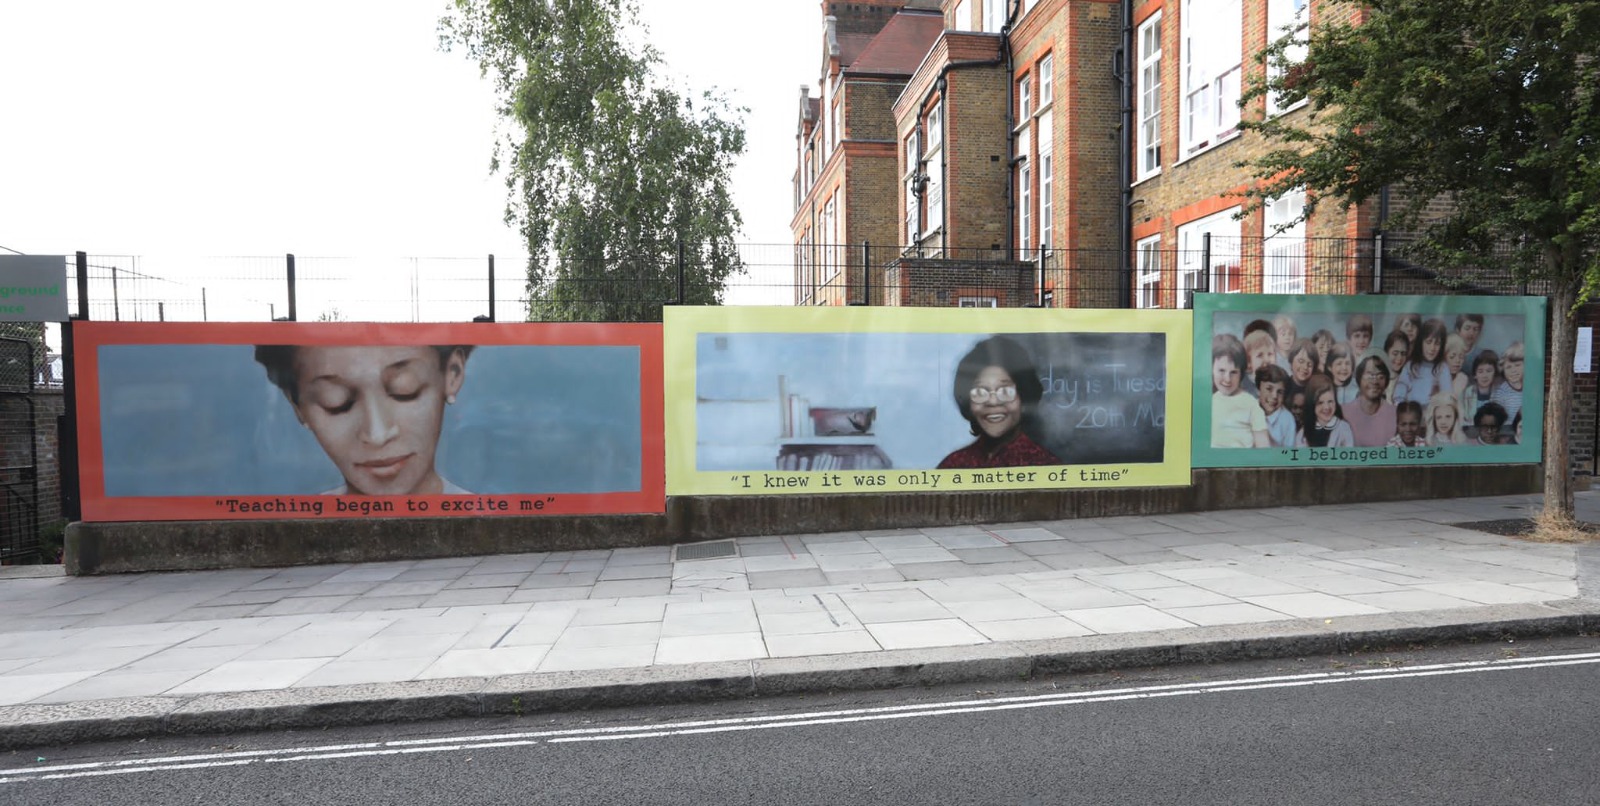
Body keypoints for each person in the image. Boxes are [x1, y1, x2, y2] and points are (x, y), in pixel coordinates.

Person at [256, 344, 473, 495]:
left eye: (405, 390)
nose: (377, 434)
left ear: (452, 374)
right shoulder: (296, 525)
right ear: (297, 406)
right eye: (336, 401)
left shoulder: (481, 512)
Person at [937, 336, 1062, 468]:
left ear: (1023, 397)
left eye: (1005, 391)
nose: (993, 401)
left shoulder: (1046, 465)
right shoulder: (953, 465)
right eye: (980, 392)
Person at [1210, 334, 1270, 448]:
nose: (1227, 379)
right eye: (1221, 371)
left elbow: (1264, 447)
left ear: (1241, 373)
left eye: (1233, 372)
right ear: (1212, 369)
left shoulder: (1251, 404)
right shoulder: (1209, 401)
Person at [1393, 318, 1451, 406]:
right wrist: (1399, 403)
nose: (1432, 348)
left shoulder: (1442, 368)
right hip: (1410, 411)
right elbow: (1401, 386)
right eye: (1428, 342)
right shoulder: (1411, 365)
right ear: (1421, 342)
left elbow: (1447, 394)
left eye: (1437, 343)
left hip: (1432, 411)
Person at [1344, 356, 1397, 447]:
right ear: (1359, 378)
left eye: (1380, 376)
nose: (1375, 381)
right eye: (1369, 375)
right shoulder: (1343, 413)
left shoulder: (1396, 414)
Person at [1295, 374, 1354, 448]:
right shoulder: (1303, 433)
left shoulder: (1344, 428)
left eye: (1330, 401)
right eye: (1320, 403)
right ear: (1312, 404)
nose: (1326, 407)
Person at [1256, 364, 1296, 448]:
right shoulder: (1248, 409)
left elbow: (1288, 453)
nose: (1274, 396)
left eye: (1280, 392)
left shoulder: (1288, 420)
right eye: (1269, 389)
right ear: (1258, 390)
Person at [1459, 349, 1500, 422]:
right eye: (1480, 371)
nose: (1484, 375)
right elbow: (1462, 418)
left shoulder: (1500, 393)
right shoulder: (1467, 393)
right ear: (1475, 375)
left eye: (1489, 371)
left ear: (1495, 373)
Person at [1491, 342, 1525, 425]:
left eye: (1517, 365)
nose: (1513, 370)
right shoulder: (1501, 392)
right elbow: (1497, 418)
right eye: (1508, 367)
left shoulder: (1529, 386)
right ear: (1503, 370)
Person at [1381, 330, 1410, 402]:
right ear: (1386, 353)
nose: (1399, 358)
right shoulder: (1378, 379)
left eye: (1403, 353)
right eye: (1395, 353)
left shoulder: (1407, 381)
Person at [1445, 334, 1470, 399]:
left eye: (1461, 357)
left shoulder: (1462, 378)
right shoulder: (1436, 376)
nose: (1457, 361)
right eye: (1452, 357)